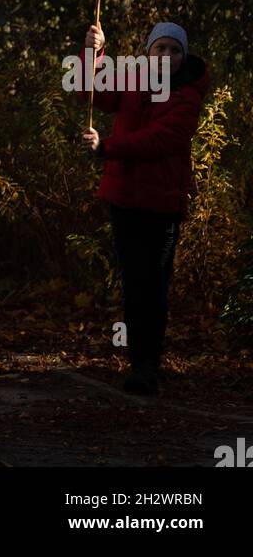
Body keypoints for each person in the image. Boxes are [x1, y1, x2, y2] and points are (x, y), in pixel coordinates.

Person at [80, 20, 209, 395]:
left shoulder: (187, 94)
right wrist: (94, 51)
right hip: (124, 199)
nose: (166, 55)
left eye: (173, 50)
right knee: (134, 283)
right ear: (148, 53)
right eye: (159, 49)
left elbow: (161, 141)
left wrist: (107, 149)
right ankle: (141, 364)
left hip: (162, 204)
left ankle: (148, 364)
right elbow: (94, 92)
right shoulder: (132, 78)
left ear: (183, 56)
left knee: (153, 284)